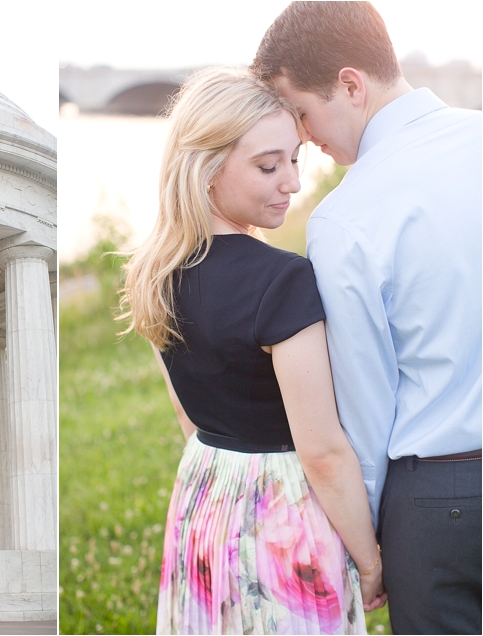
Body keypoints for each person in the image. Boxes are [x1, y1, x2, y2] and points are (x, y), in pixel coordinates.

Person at [119, 66, 384, 635]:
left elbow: (187, 416)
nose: (292, 182)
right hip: (284, 512)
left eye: (295, 159)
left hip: (204, 494)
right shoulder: (282, 280)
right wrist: (370, 561)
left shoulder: (154, 274)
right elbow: (322, 452)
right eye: (268, 166)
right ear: (208, 168)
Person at [251, 3, 482, 634]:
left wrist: (370, 540)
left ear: (351, 85)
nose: (301, 136)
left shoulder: (343, 218)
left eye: (300, 111)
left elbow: (366, 406)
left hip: (438, 504)